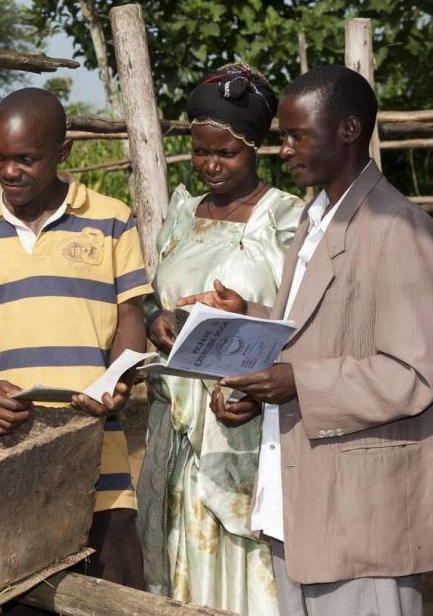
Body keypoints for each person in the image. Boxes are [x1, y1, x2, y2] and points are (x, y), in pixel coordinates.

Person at [180, 65, 433, 616]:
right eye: (282, 138)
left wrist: (296, 383)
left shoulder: (398, 229)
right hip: (301, 503)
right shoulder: (318, 217)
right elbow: (320, 327)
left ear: (347, 130)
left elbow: (412, 375)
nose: (285, 150)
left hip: (360, 522)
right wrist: (247, 315)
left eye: (297, 135)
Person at [0, 87, 154, 588]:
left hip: (98, 444)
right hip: (11, 448)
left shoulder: (111, 219)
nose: (9, 171)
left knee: (115, 588)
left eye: (26, 159)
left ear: (63, 152)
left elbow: (130, 317)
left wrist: (117, 380)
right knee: (18, 595)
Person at [136, 64, 303, 615]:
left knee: (252, 573)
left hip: (250, 429)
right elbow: (161, 295)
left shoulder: (286, 220)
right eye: (199, 150)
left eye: (225, 154)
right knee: (184, 566)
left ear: (256, 148)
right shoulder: (182, 216)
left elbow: (308, 321)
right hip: (183, 433)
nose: (210, 165)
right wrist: (158, 319)